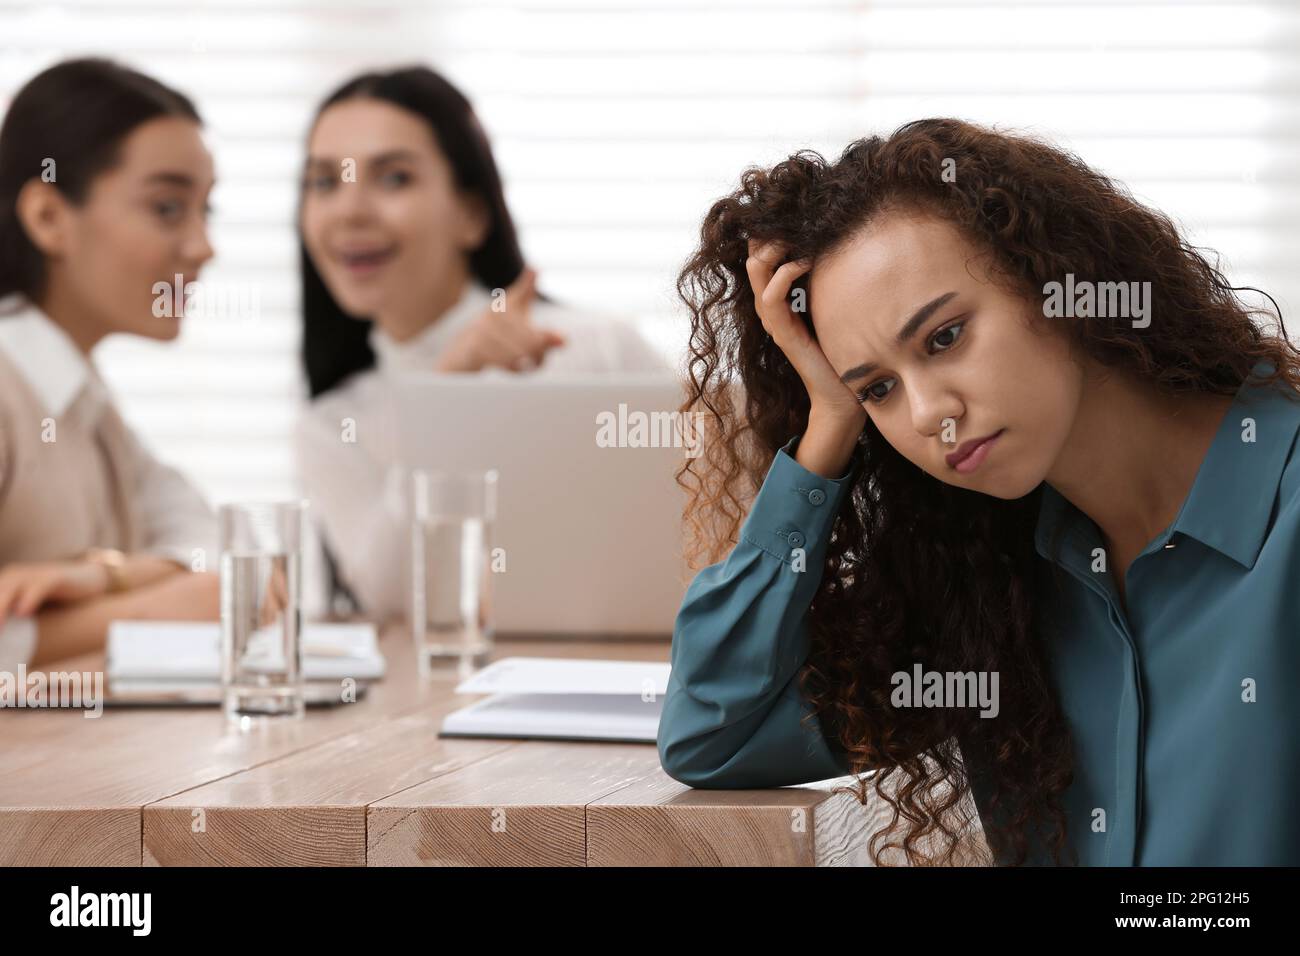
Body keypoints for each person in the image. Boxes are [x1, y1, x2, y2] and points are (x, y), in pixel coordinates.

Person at [659, 118, 1300, 866]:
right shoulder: (992, 584)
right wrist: (828, 429)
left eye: (944, 337)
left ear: (1061, 282)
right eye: (878, 389)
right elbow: (713, 735)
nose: (928, 414)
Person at [293, 66, 670, 620]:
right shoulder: (333, 421)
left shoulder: (591, 351)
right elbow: (395, 601)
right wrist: (449, 388)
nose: (349, 211)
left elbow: (717, 525)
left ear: (471, 215)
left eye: (393, 178)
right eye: (325, 182)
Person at [0, 58, 221, 669]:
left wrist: (107, 577)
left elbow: (209, 536)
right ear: (48, 217)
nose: (204, 246)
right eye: (168, 208)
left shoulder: (80, 395)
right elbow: (211, 589)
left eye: (208, 210)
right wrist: (162, 606)